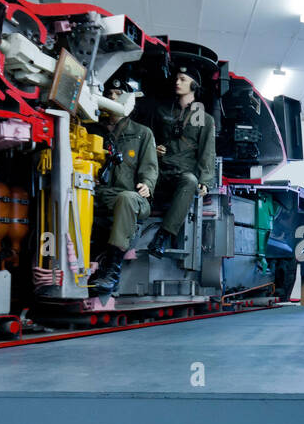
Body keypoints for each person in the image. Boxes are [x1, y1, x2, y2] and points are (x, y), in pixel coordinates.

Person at [89, 84, 158, 296]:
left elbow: (150, 167)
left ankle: (112, 272)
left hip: (133, 198)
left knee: (126, 199)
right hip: (101, 194)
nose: (112, 97)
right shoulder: (93, 130)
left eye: (118, 94)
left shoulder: (141, 133)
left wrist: (147, 184)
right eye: (109, 93)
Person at [147, 64, 215, 257]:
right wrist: (155, 149)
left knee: (190, 181)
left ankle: (163, 235)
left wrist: (205, 181)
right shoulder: (162, 111)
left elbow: (207, 151)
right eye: (176, 78)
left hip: (182, 173)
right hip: (159, 170)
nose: (177, 82)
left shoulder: (203, 117)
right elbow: (149, 138)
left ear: (194, 86)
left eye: (183, 80)